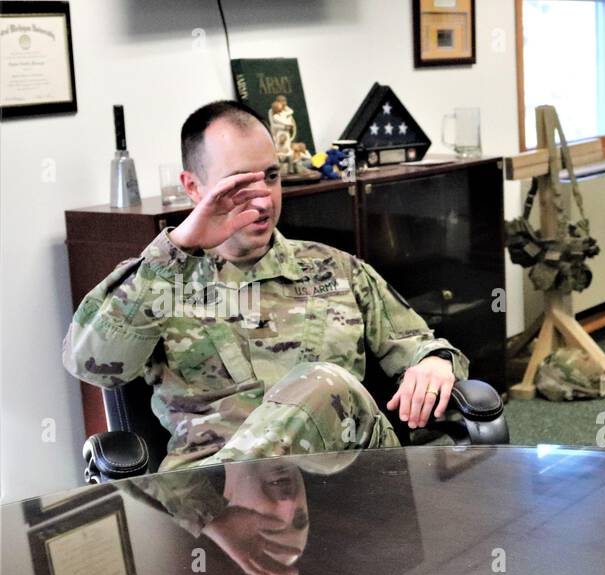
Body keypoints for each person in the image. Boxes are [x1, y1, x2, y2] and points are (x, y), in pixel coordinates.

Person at [63, 99, 466, 474]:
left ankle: (237, 491)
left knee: (324, 383)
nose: (262, 201)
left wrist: (435, 361)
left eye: (271, 177)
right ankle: (237, 495)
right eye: (239, 185)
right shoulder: (161, 280)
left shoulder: (338, 270)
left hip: (344, 487)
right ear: (193, 187)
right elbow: (89, 364)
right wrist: (178, 248)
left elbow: (421, 345)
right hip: (207, 493)